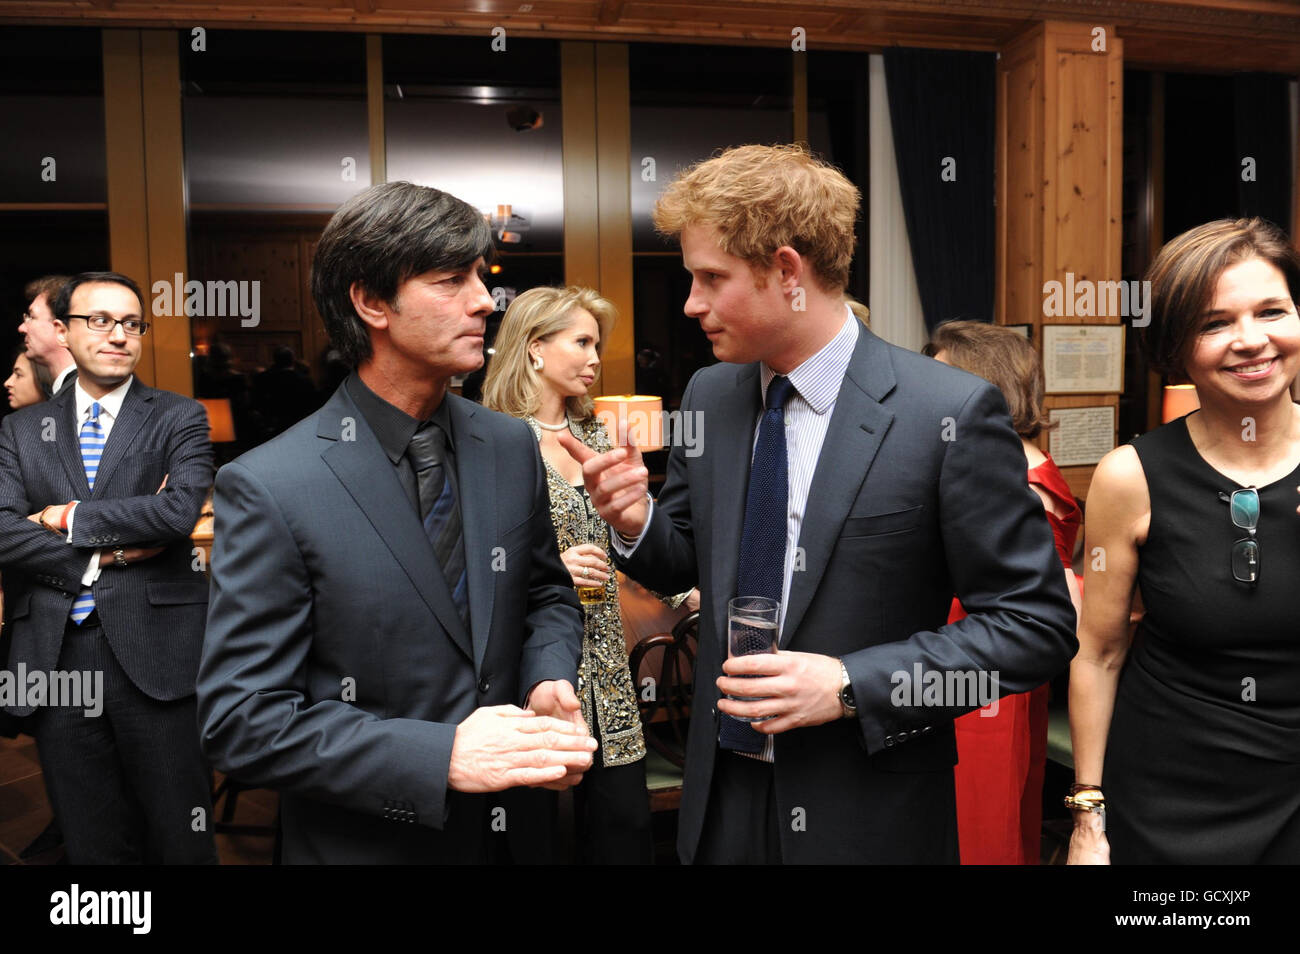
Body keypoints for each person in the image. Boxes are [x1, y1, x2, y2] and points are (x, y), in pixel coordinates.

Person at [564, 143, 1077, 864]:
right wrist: (634, 519)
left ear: (786, 271)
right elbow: (686, 551)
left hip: (866, 803)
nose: (691, 304)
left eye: (711, 278)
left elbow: (1034, 629)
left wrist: (846, 684)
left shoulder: (947, 412)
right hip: (720, 796)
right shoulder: (712, 395)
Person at [197, 181, 596, 865]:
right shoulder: (271, 485)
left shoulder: (507, 445)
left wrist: (546, 677)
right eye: (450, 280)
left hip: (519, 832)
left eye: (479, 276)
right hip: (370, 845)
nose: (482, 300)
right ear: (371, 302)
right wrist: (440, 755)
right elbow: (242, 721)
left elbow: (546, 596)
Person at [1068, 218, 1300, 864]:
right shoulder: (1130, 477)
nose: (1251, 341)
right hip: (1169, 801)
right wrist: (1089, 818)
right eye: (1214, 323)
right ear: (1176, 347)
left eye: (1272, 311)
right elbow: (1098, 653)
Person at [0, 271, 217, 863]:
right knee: (92, 840)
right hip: (57, 655)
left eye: (131, 323)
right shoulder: (19, 430)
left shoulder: (179, 417)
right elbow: (2, 530)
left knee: (182, 834)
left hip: (157, 654)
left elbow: (176, 513)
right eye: (99, 321)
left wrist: (65, 518)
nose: (118, 335)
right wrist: (112, 550)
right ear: (65, 333)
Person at [482, 284, 654, 864]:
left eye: (597, 344)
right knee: (540, 832)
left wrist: (687, 585)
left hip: (608, 661)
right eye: (581, 341)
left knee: (623, 826)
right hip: (537, 668)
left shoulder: (597, 436)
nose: (595, 359)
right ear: (534, 348)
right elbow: (476, 560)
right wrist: (557, 565)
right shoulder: (493, 442)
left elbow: (630, 536)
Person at [924, 320, 1083, 865]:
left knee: (982, 825)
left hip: (987, 678)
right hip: (966, 663)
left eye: (940, 378)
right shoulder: (1004, 461)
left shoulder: (1021, 478)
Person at [18, 275, 76, 396]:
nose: (21, 328)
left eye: (32, 317)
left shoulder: (81, 396)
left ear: (61, 329)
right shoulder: (67, 392)